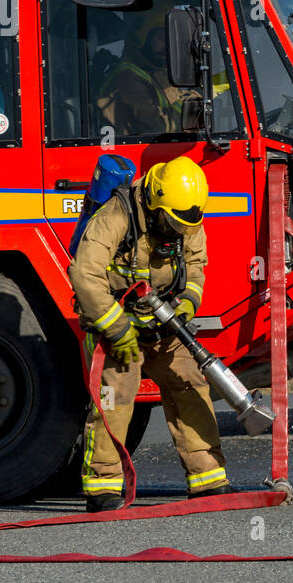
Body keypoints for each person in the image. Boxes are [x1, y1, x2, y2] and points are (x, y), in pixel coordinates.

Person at [67, 155, 228, 511]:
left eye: (185, 225)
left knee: (189, 380)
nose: (178, 232)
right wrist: (117, 328)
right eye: (171, 223)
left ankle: (207, 479)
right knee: (115, 394)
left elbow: (197, 265)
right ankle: (103, 487)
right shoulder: (115, 216)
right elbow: (85, 275)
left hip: (162, 318)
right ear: (154, 204)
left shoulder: (186, 215)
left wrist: (187, 303)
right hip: (115, 318)